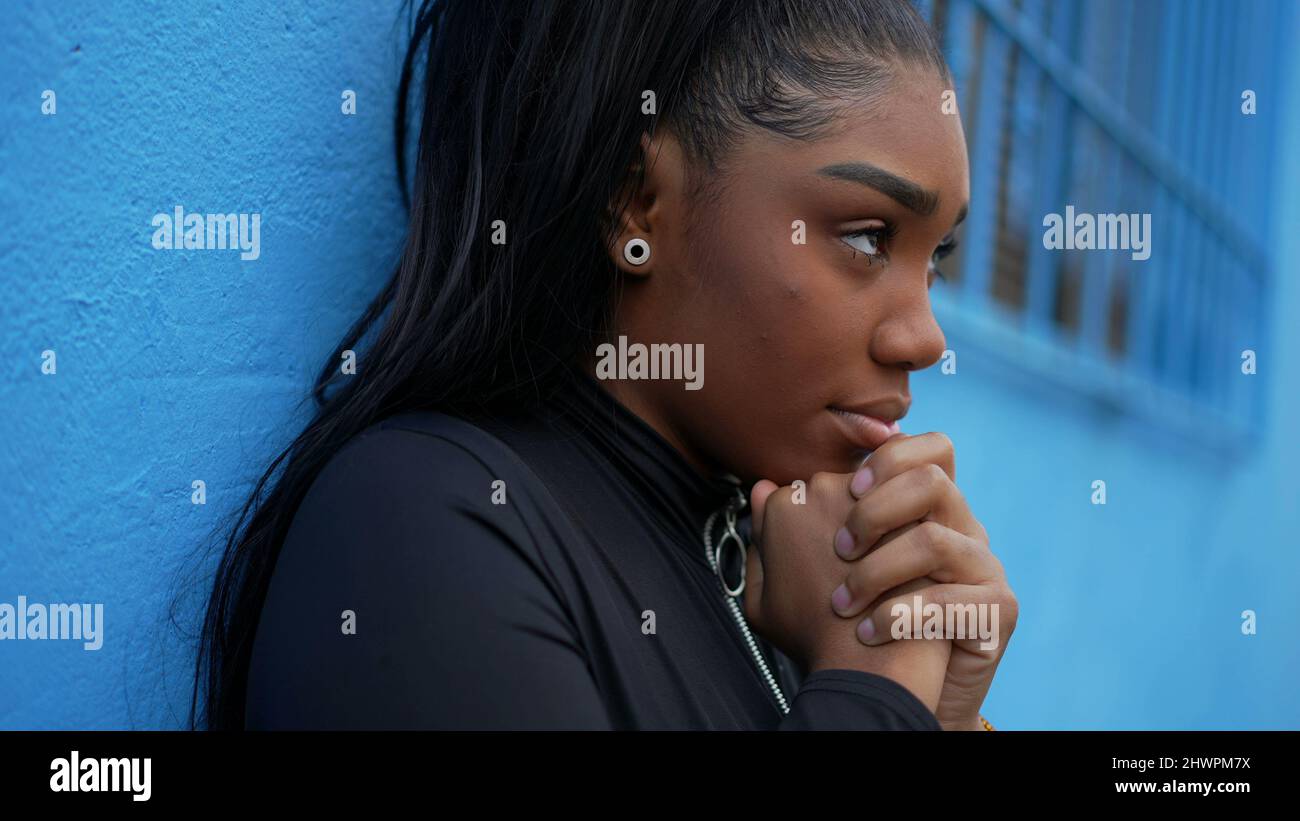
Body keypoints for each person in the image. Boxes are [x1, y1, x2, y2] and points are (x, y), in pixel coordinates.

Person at [193, 0, 1017, 730]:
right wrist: (876, 695)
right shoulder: (413, 529)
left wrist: (944, 711)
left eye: (934, 257)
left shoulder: (797, 579)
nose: (926, 339)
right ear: (636, 202)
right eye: (868, 237)